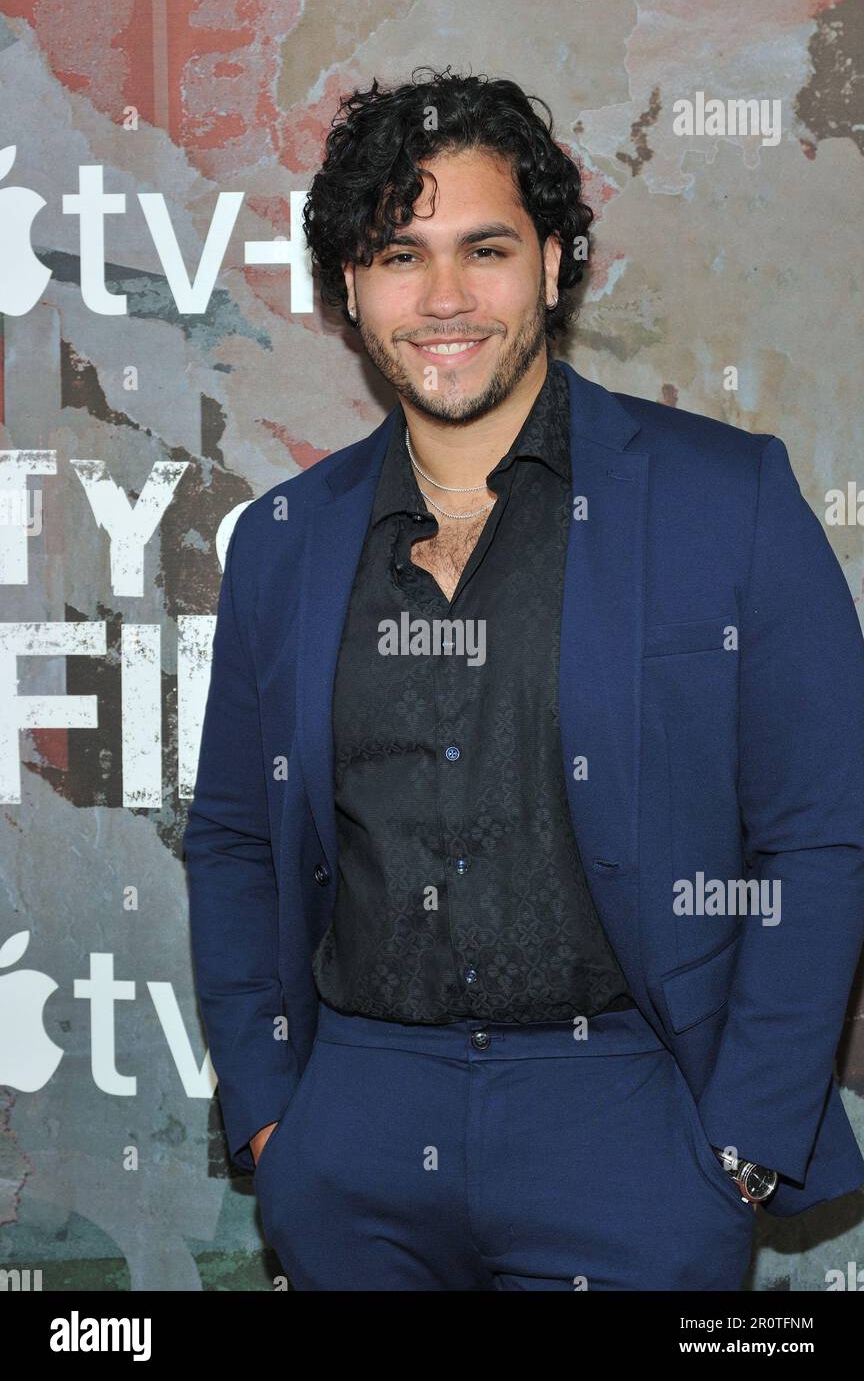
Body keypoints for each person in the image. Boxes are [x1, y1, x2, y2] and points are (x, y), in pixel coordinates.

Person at [183, 68, 864, 1291]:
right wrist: (279, 1120)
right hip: (354, 1132)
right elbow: (233, 837)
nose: (445, 297)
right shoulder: (283, 540)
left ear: (554, 262)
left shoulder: (727, 500)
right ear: (350, 286)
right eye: (400, 253)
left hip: (630, 1126)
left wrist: (743, 1147)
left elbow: (822, 834)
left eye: (485, 248)